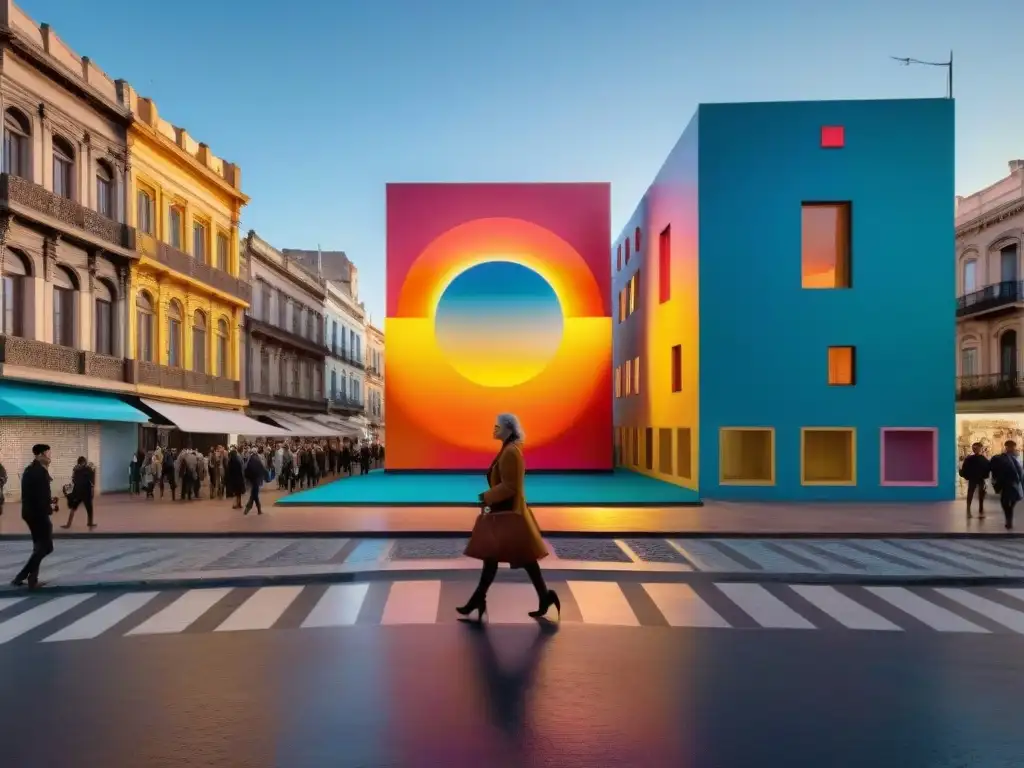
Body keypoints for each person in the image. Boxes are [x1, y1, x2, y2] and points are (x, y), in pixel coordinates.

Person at [458, 413, 558, 621]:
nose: (494, 429)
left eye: (498, 426)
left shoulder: (511, 452)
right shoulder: (507, 450)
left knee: (511, 557)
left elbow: (510, 486)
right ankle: (543, 597)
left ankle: (480, 599)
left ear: (509, 429)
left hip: (509, 514)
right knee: (502, 557)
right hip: (504, 512)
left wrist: (486, 496)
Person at [11, 444, 55, 589]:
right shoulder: (38, 472)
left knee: (39, 547)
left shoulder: (31, 469)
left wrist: (50, 502)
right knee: (46, 547)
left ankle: (32, 580)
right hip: (37, 514)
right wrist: (49, 508)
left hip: (31, 512)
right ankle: (22, 576)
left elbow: (36, 494)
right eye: (48, 454)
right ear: (41, 454)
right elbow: (39, 496)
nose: (50, 457)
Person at [990, 440, 1024, 530]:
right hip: (1006, 483)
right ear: (1006, 447)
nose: (1012, 448)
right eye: (1010, 447)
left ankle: (1009, 515)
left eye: (1013, 447)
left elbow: (1020, 470)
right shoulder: (1002, 457)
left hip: (1014, 483)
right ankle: (1008, 519)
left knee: (1012, 500)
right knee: (1005, 501)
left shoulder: (1017, 457)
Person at [61, 456, 96, 529]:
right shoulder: (88, 469)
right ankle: (90, 523)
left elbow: (73, 480)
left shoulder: (76, 469)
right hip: (86, 492)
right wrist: (92, 491)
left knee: (74, 508)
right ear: (84, 462)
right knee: (89, 508)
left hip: (78, 492)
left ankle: (68, 524)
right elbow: (92, 481)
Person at [959, 442, 991, 519]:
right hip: (976, 479)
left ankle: (979, 508)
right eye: (974, 448)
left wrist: (965, 475)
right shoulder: (979, 459)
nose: (975, 449)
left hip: (977, 479)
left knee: (979, 493)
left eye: (976, 448)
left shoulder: (972, 459)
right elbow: (987, 469)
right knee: (972, 493)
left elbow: (964, 469)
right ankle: (971, 510)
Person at [243, 447, 267, 515]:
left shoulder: (249, 459)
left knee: (254, 494)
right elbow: (262, 468)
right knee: (255, 494)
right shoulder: (258, 459)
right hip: (257, 479)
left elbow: (245, 468)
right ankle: (251, 508)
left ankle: (251, 508)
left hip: (251, 479)